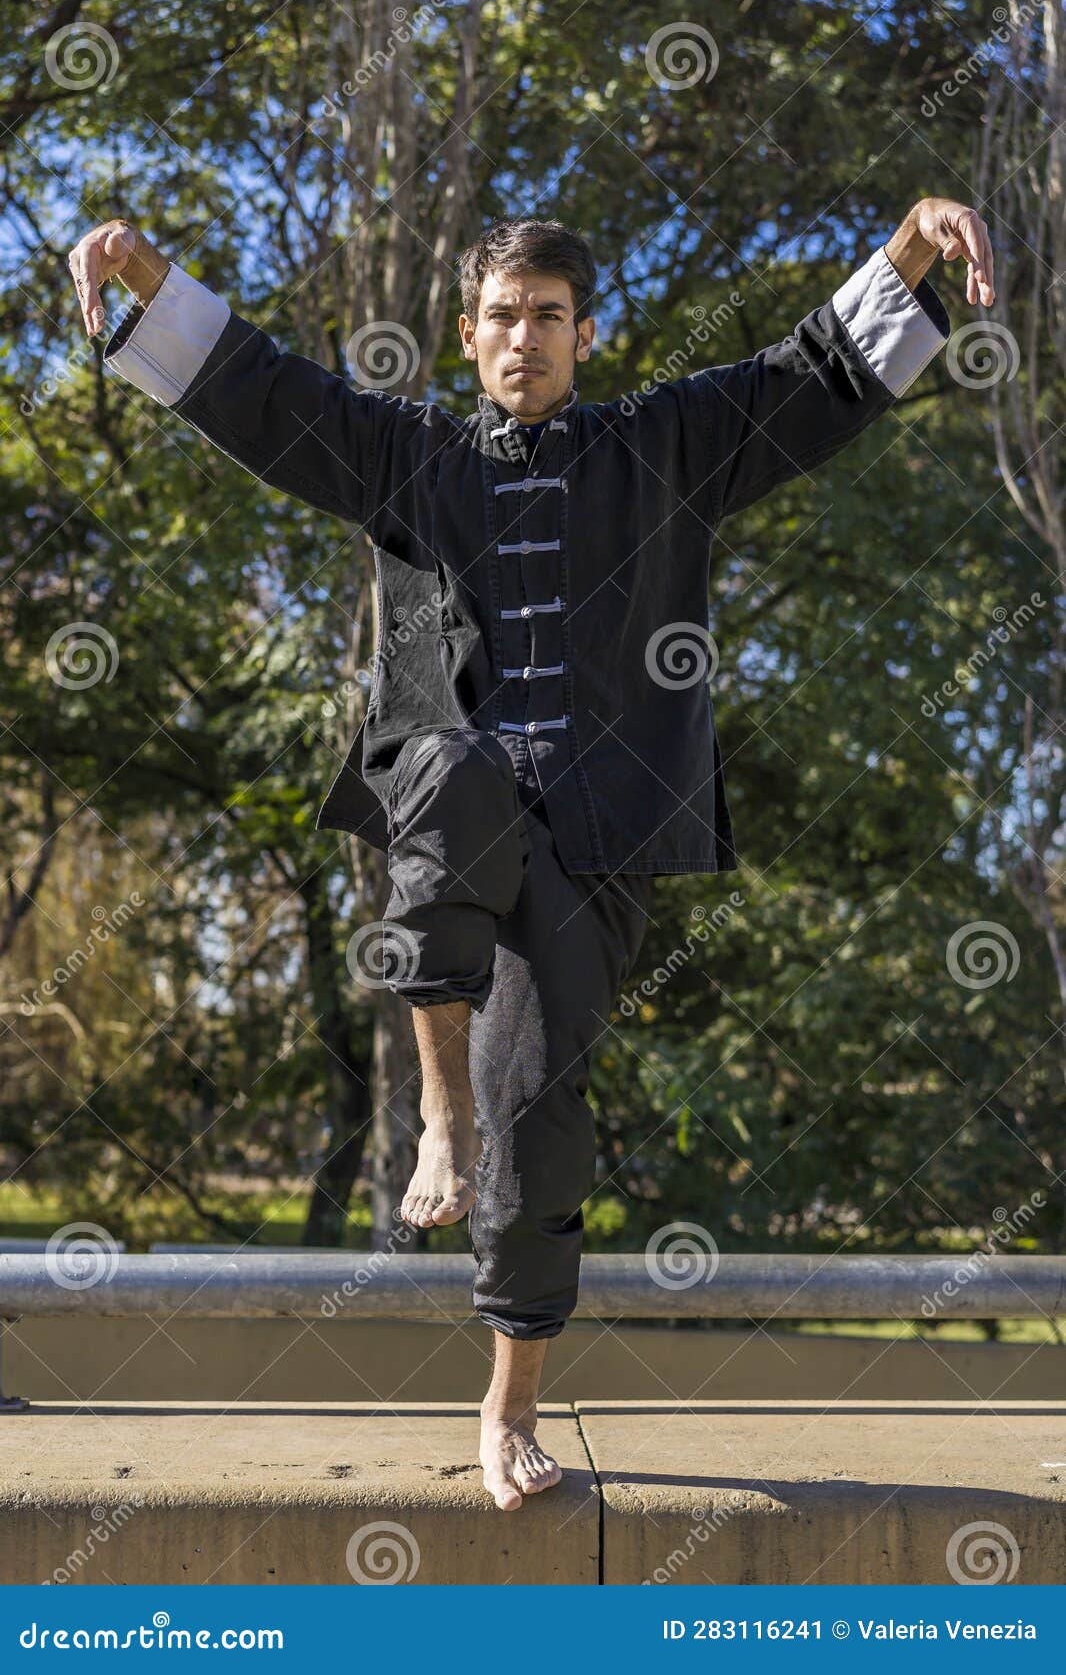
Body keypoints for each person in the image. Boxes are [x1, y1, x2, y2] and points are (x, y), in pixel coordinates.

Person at [67, 197, 994, 1511]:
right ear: (468, 335)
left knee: (540, 1112)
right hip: (454, 805)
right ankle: (435, 1112)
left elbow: (807, 378)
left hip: (602, 831)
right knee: (452, 770)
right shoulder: (409, 456)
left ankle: (509, 1396)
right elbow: (267, 395)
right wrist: (144, 269)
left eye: (547, 316)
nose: (524, 337)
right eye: (502, 316)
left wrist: (909, 245)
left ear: (583, 333)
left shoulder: (664, 445)